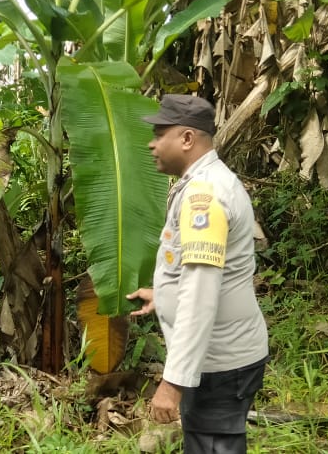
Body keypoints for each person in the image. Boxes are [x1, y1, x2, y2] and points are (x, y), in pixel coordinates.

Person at [127, 94, 270, 454]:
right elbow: (202, 275)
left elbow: (201, 293)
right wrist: (163, 295)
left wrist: (173, 383)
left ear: (187, 139)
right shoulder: (202, 183)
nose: (151, 143)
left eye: (160, 133)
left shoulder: (204, 195)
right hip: (221, 357)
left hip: (220, 365)